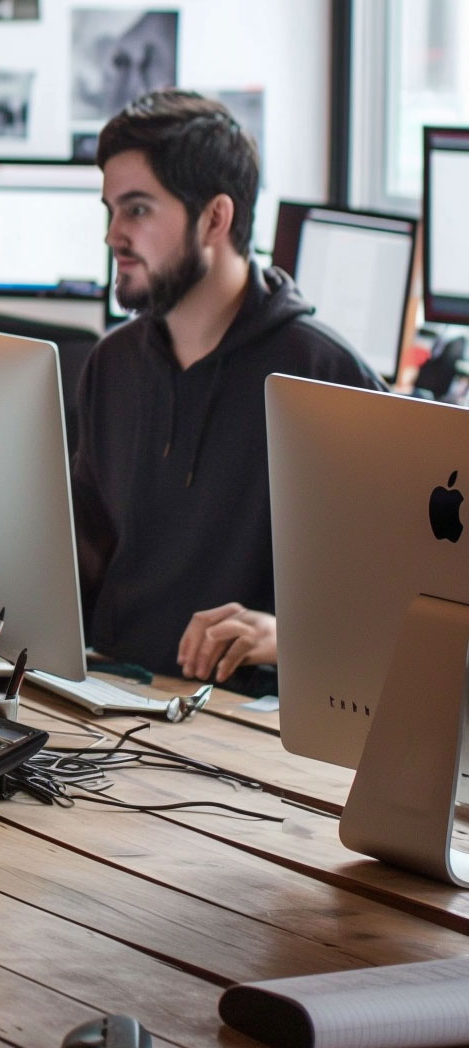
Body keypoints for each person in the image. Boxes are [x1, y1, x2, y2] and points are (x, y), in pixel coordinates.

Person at [72, 91, 380, 690]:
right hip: (106, 692)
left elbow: (403, 593)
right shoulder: (112, 365)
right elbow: (79, 557)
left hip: (241, 719)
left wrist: (287, 636)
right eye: (110, 209)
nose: (113, 234)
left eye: (137, 210)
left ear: (216, 217)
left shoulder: (323, 375)